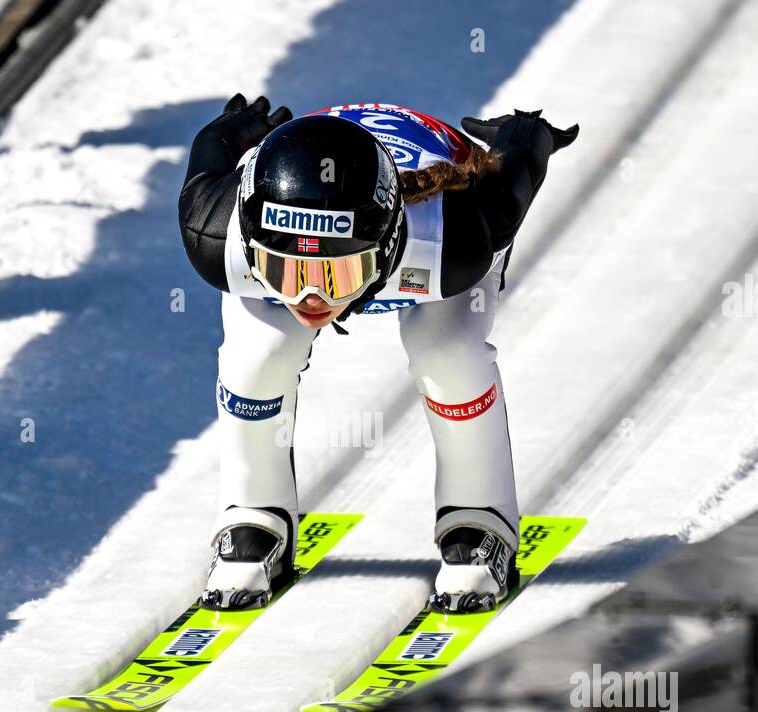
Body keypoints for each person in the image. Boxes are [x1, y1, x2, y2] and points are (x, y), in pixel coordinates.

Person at [178, 96, 577, 612]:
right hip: (361, 199)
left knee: (448, 353)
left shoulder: (453, 234)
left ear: (390, 244)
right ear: (250, 240)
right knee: (258, 356)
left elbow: (511, 174)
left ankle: (480, 517)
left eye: (336, 274)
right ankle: (251, 512)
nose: (311, 298)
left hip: (441, 187)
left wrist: (524, 141)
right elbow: (212, 149)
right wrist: (526, 136)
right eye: (287, 272)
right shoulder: (218, 232)